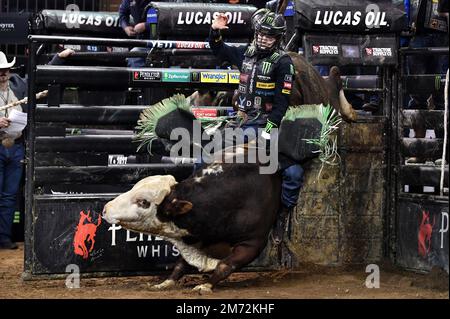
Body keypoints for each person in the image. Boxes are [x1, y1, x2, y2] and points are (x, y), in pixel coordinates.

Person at [209, 9, 304, 247]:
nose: (263, 39)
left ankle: (282, 214)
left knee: (294, 173)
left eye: (269, 36)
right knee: (206, 155)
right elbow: (219, 50)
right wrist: (215, 32)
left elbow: (282, 103)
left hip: (266, 123)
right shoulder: (245, 53)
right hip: (241, 121)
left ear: (278, 39)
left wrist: (268, 129)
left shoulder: (283, 63)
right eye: (261, 34)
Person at [0, 49, 73, 250]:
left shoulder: (18, 84)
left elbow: (40, 75)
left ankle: (3, 237)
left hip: (15, 147)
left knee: (9, 195)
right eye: (0, 70)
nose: (3, 73)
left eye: (5, 69)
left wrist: (58, 58)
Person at [119, 0, 152, 67]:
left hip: (162, 40)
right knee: (133, 55)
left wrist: (146, 26)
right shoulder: (128, 1)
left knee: (134, 56)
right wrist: (126, 27)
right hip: (141, 41)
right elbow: (122, 14)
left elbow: (167, 19)